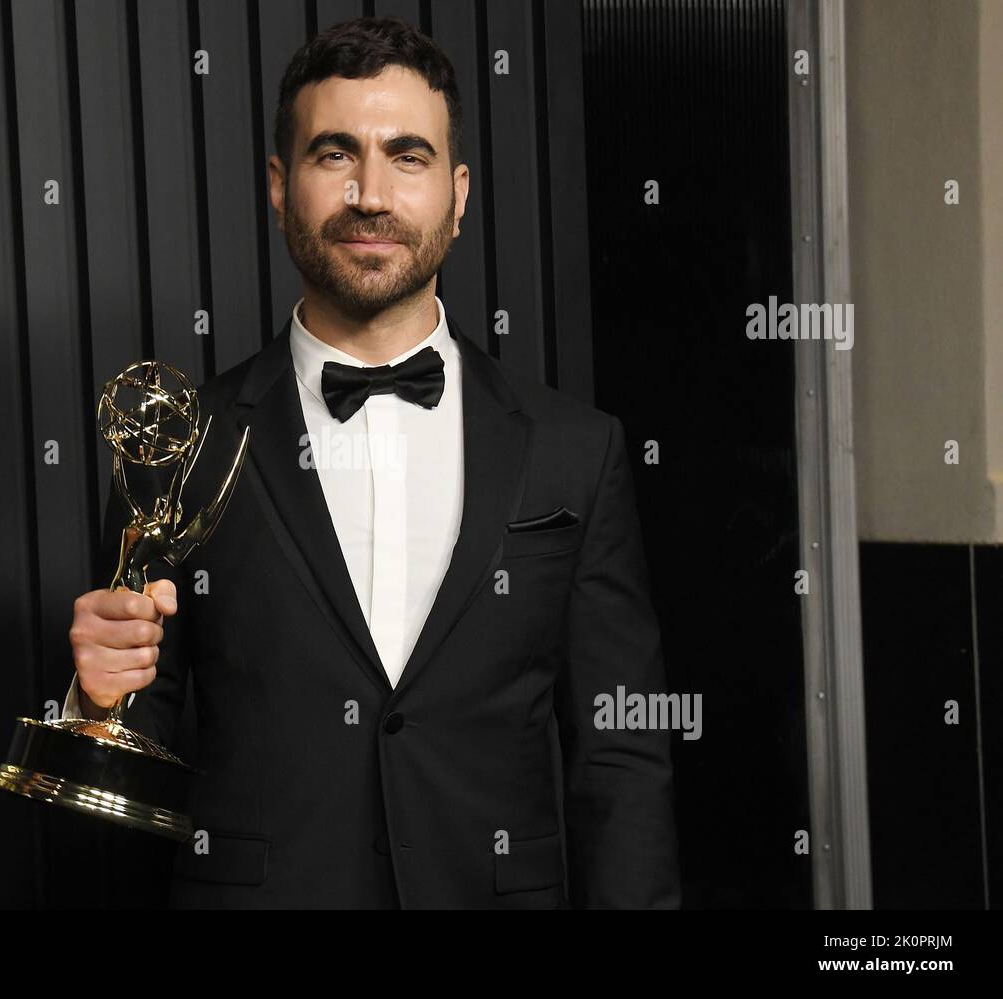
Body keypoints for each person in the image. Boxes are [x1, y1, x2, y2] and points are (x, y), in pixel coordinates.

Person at [63, 15, 679, 909]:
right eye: (334, 154)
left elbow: (621, 758)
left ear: (460, 194)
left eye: (409, 156)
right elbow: (131, 764)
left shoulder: (576, 450)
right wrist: (94, 705)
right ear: (280, 186)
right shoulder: (178, 442)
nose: (370, 193)